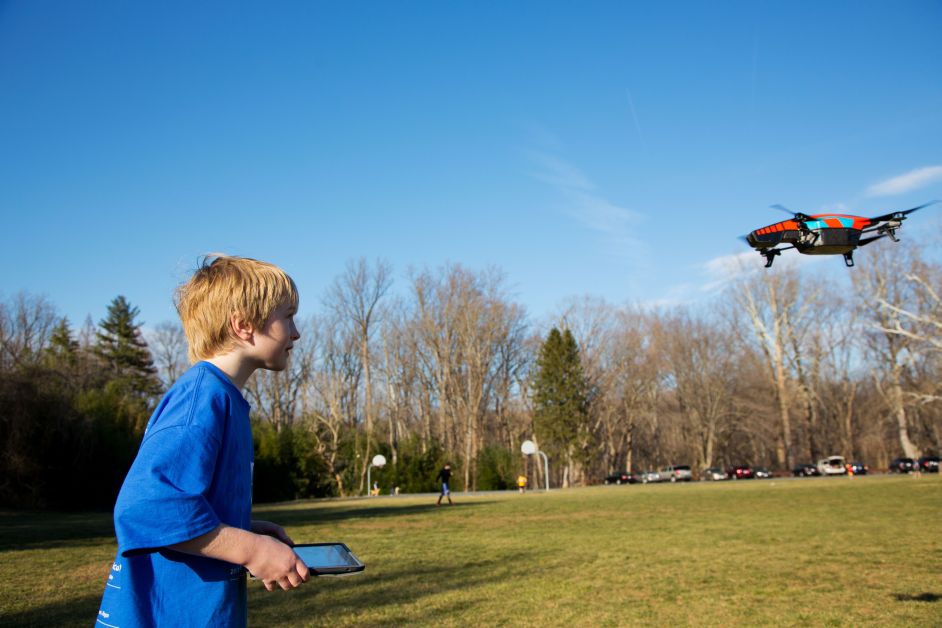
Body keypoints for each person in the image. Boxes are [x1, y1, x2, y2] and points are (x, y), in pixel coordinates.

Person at [96, 255, 309, 627]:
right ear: (243, 325)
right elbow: (144, 508)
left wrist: (244, 528)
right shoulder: (203, 399)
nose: (295, 332)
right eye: (287, 315)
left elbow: (185, 506)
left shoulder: (223, 399)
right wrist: (252, 550)